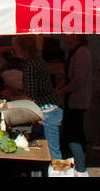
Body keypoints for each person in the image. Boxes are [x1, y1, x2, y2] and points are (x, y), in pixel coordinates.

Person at [13, 34, 65, 174]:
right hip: (53, 108)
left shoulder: (30, 66)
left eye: (15, 47)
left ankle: (59, 174)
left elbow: (31, 96)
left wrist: (12, 96)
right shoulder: (38, 60)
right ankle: (57, 172)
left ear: (21, 48)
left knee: (54, 152)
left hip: (48, 111)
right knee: (53, 149)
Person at [56, 34, 93, 177]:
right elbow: (67, 76)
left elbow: (78, 80)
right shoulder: (74, 51)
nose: (64, 36)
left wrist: (62, 91)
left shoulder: (82, 52)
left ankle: (82, 170)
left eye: (66, 34)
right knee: (72, 133)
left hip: (77, 100)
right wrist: (59, 89)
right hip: (72, 99)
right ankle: (70, 167)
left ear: (75, 36)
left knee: (73, 135)